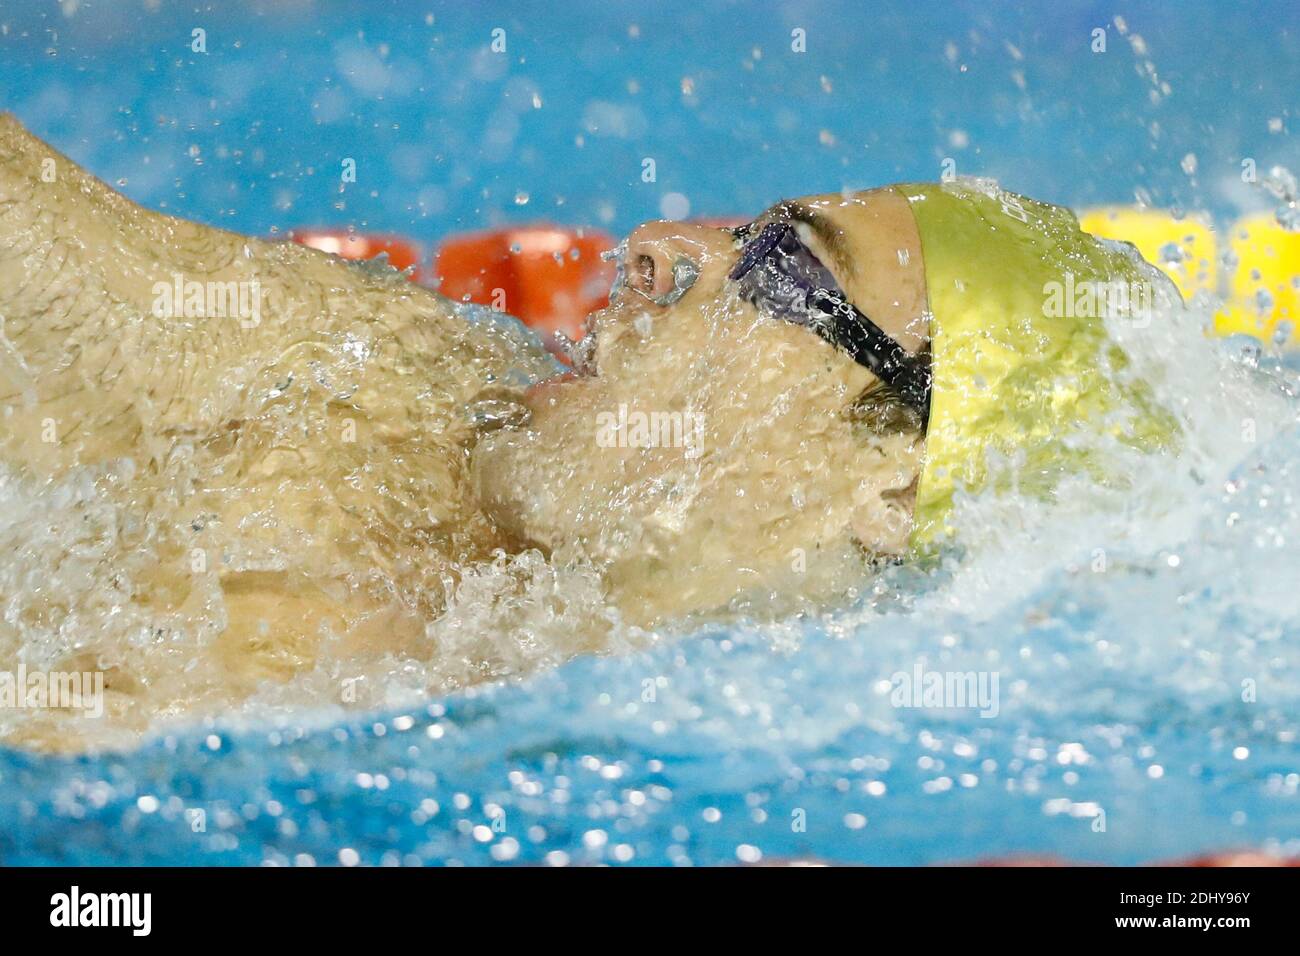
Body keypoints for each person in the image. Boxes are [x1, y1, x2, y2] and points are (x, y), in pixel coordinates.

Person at [0, 115, 1174, 745]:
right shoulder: (366, 392)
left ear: (892, 492)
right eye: (741, 225)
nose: (660, 239)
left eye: (785, 265)